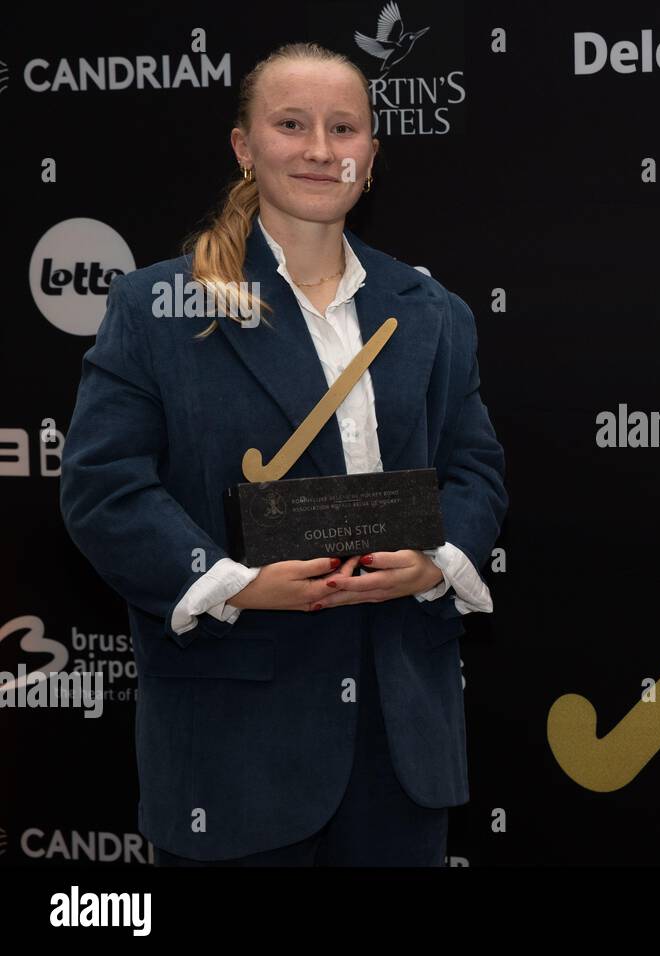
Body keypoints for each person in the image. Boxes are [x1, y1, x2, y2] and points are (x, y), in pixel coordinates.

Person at [58, 42, 508, 866]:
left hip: (403, 737)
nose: (320, 149)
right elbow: (104, 488)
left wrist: (436, 563)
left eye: (345, 128)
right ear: (244, 146)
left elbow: (475, 470)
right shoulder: (158, 305)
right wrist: (234, 583)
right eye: (291, 124)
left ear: (371, 153)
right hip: (234, 746)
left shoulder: (434, 310)